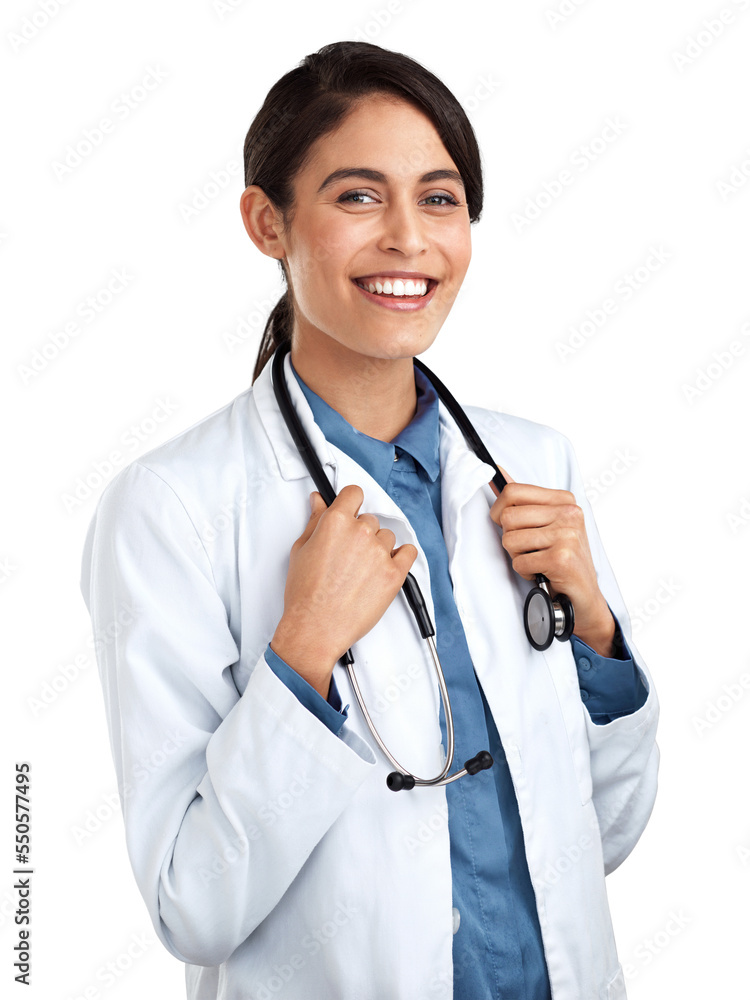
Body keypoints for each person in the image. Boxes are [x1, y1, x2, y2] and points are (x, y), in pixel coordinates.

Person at [80, 40, 659, 1000]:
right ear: (268, 223)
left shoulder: (531, 467)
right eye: (357, 197)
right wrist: (302, 651)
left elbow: (603, 835)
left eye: (439, 198)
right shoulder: (170, 507)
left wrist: (597, 635)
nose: (407, 239)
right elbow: (193, 907)